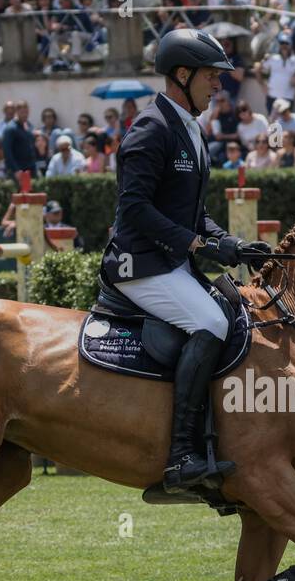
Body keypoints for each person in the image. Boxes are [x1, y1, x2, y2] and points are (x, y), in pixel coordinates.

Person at [99, 28, 272, 495]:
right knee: (211, 324)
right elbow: (135, 208)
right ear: (182, 73)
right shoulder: (151, 128)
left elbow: (191, 214)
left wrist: (229, 243)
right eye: (212, 76)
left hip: (170, 264)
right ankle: (180, 456)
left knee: (235, 315)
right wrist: (198, 245)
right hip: (140, 266)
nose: (219, 85)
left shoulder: (190, 129)